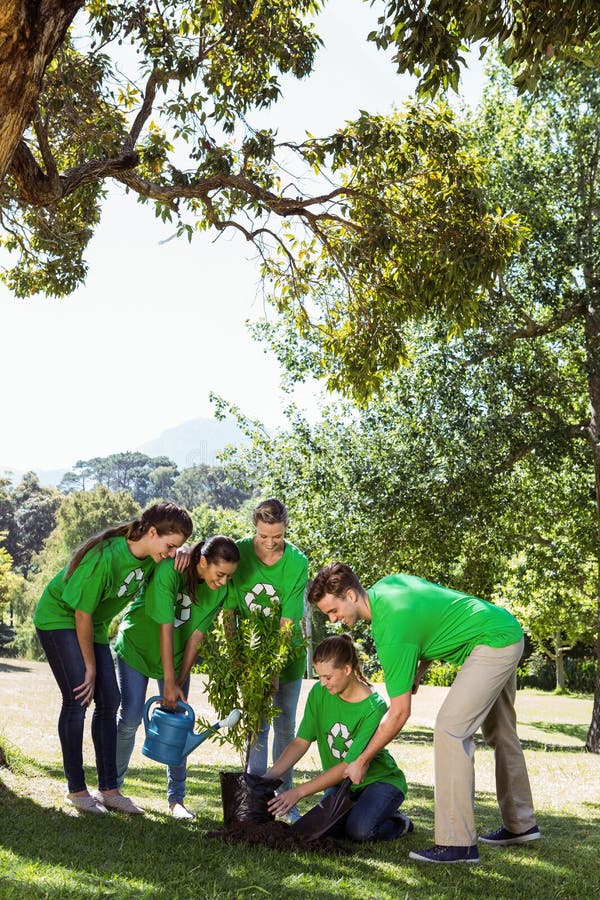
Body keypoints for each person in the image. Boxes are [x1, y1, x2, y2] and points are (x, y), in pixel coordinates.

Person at [308, 563, 541, 864]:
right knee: (501, 733)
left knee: (450, 729)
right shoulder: (389, 586)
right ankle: (521, 825)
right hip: (504, 629)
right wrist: (420, 669)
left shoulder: (390, 628)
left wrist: (361, 760)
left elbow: (399, 712)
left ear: (350, 595)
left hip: (489, 644)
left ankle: (457, 844)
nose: (332, 619)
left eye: (333, 610)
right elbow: (434, 617)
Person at [33, 502, 193, 815]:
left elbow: (185, 554)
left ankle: (108, 789)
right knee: (78, 697)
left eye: (177, 546)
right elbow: (81, 614)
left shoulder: (152, 555)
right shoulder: (105, 557)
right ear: (150, 531)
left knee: (111, 700)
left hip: (92, 626)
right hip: (60, 618)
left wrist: (184, 551)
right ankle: (77, 789)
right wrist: (90, 667)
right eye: (170, 545)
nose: (172, 551)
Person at [114, 535, 240, 818]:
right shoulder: (170, 570)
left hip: (177, 658)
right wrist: (169, 683)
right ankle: (112, 789)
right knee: (131, 717)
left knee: (179, 722)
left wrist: (179, 681)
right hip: (138, 647)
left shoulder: (219, 590)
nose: (223, 582)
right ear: (203, 561)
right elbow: (165, 627)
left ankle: (176, 801)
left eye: (228, 576)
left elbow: (196, 638)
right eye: (220, 574)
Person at [266, 634, 412, 842]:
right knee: (327, 830)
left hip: (380, 781)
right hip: (343, 784)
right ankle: (361, 812)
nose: (323, 683)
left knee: (359, 832)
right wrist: (270, 776)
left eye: (328, 677)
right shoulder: (319, 693)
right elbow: (301, 742)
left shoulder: (374, 707)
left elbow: (348, 765)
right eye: (319, 677)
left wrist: (297, 793)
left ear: (347, 669)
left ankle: (399, 822)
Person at [224, 498, 308, 821]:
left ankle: (286, 802)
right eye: (263, 537)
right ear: (254, 529)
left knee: (285, 725)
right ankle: (252, 803)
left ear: (286, 528)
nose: (271, 544)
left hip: (288, 658)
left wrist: (273, 668)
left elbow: (289, 624)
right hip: (250, 656)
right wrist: (237, 660)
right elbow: (229, 612)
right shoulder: (239, 553)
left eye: (278, 536)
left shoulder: (297, 562)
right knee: (256, 724)